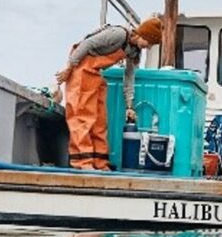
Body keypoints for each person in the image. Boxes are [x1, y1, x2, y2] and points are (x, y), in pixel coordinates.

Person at [55, 16, 163, 170]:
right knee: (82, 118)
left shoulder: (133, 51)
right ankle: (82, 163)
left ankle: (100, 162)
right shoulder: (119, 34)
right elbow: (86, 44)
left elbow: (129, 78)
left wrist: (129, 106)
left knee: (99, 121)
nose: (149, 47)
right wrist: (68, 69)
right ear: (142, 34)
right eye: (150, 42)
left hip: (95, 74)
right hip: (80, 71)